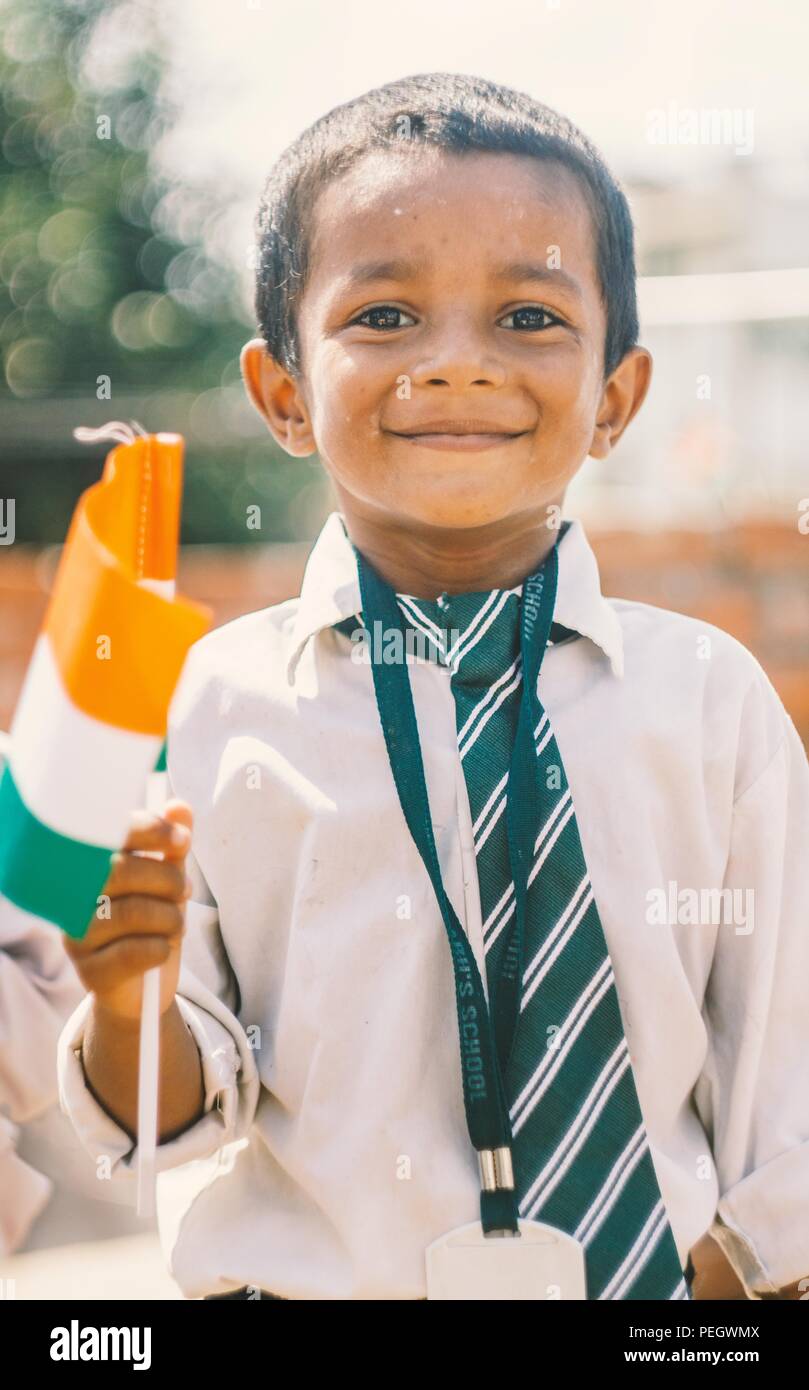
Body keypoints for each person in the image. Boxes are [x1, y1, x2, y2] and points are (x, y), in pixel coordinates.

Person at [57, 73, 809, 1301]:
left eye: (526, 318)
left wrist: (714, 1290)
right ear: (283, 394)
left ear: (615, 397)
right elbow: (169, 1105)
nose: (455, 365)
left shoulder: (708, 703)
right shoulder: (209, 700)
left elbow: (787, 1069)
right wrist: (129, 999)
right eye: (385, 316)